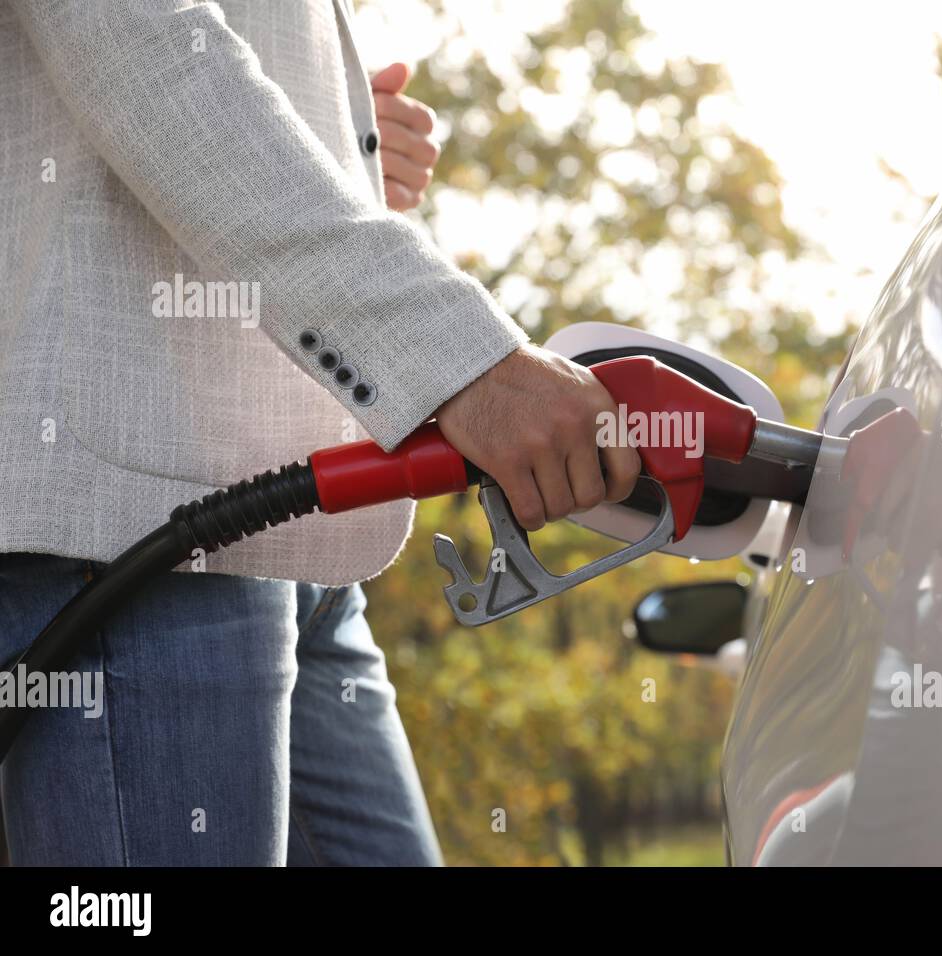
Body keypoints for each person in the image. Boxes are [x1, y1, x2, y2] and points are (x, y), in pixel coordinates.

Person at [0, 0, 640, 865]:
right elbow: (145, 49)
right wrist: (463, 360)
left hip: (300, 530)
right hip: (138, 526)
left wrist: (341, 136)